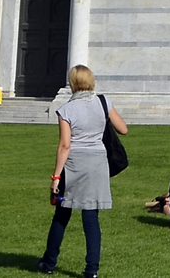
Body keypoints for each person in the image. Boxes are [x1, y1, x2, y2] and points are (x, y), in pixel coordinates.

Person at [38, 64, 127, 276]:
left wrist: (56, 177)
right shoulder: (103, 102)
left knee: (62, 213)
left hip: (74, 163)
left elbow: (65, 145)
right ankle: (91, 270)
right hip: (98, 162)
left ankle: (49, 262)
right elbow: (123, 129)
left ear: (72, 83)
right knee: (91, 218)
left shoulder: (66, 109)